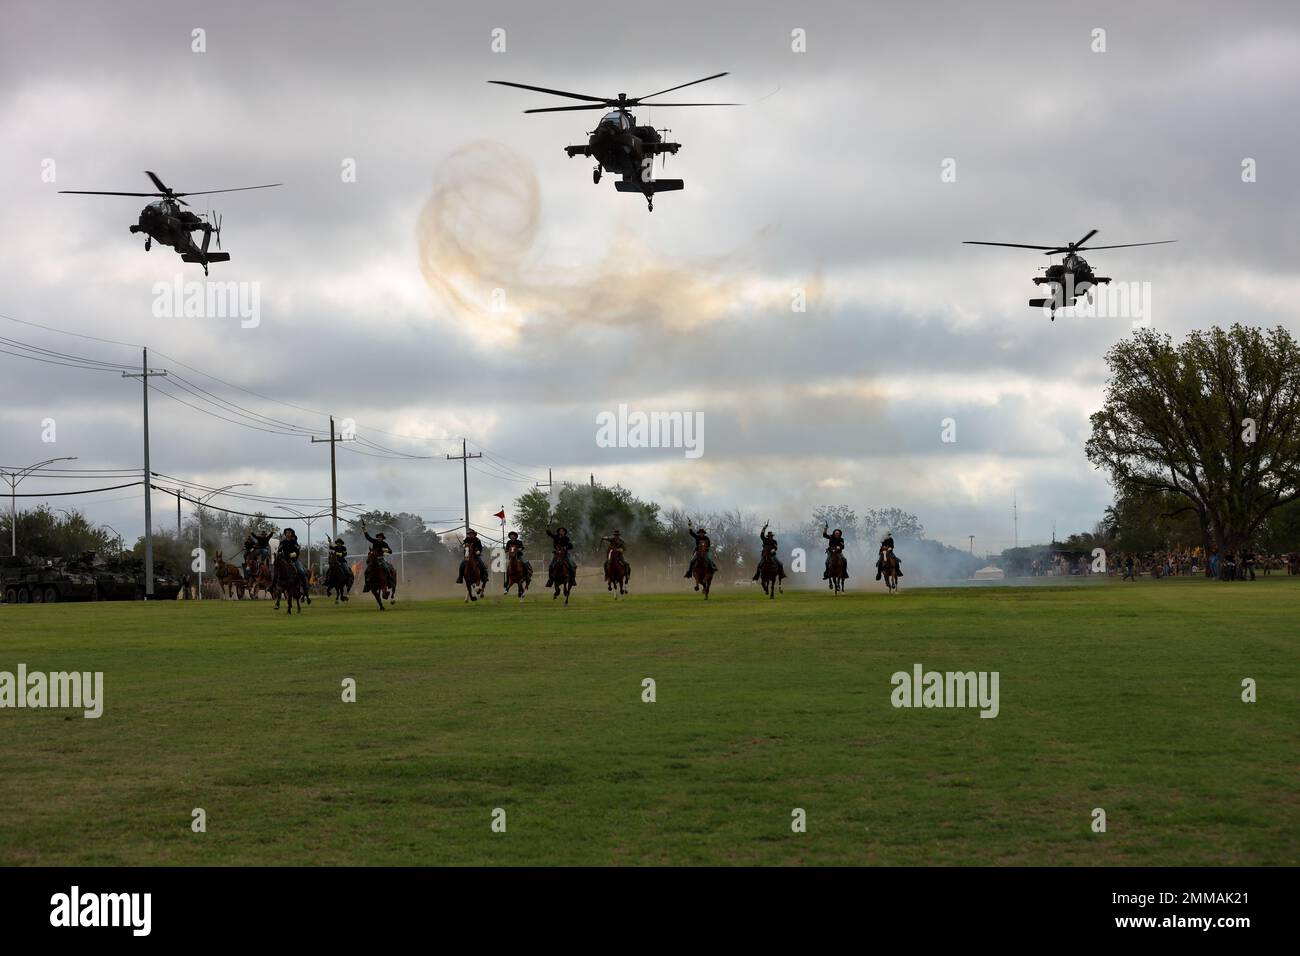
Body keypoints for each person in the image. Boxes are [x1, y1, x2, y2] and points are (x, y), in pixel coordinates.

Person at [276, 528, 310, 592]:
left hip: (294, 560)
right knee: (276, 570)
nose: (288, 534)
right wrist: (279, 554)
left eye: (289, 532)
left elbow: (297, 551)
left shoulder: (294, 541)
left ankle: (305, 586)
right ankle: (273, 585)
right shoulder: (282, 542)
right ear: (285, 534)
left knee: (301, 571)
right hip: (285, 560)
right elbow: (279, 550)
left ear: (291, 534)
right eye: (286, 533)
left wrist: (292, 555)